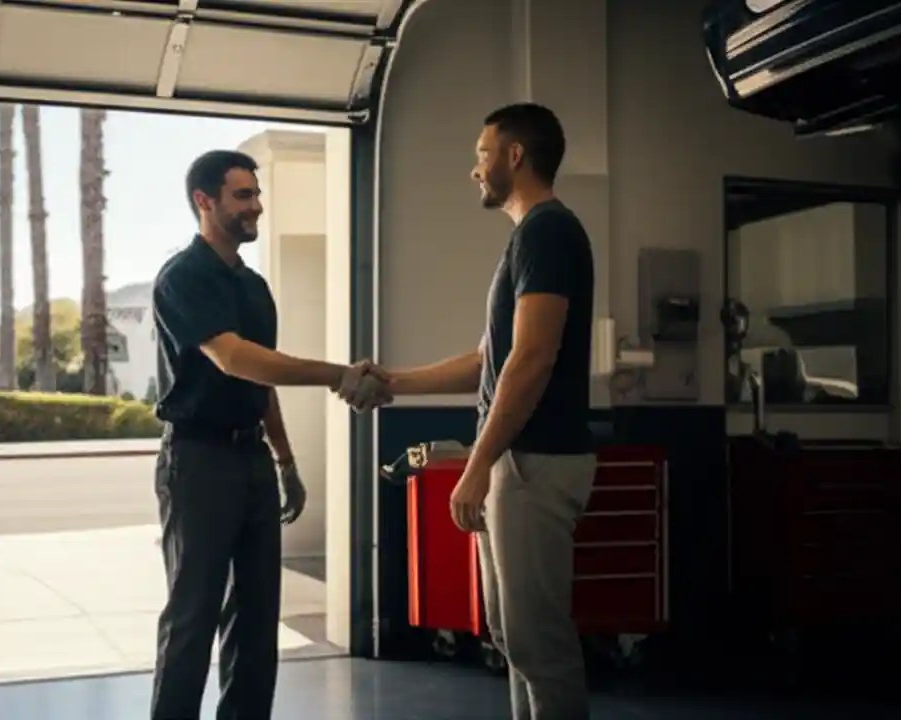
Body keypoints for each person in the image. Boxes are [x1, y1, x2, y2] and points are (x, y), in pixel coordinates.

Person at [349, 103, 596, 720]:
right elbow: (488, 362)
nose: (475, 169)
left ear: (515, 155)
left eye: (482, 154)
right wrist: (393, 382)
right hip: (517, 458)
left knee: (539, 644)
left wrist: (478, 463)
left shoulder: (547, 232)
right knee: (514, 638)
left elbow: (533, 358)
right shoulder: (528, 239)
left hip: (534, 459)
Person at [149, 149, 387, 720]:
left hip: (251, 458)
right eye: (242, 196)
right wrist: (337, 374)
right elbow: (235, 359)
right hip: (198, 461)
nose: (256, 206)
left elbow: (262, 379)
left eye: (257, 194)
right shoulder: (182, 278)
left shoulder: (254, 287)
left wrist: (285, 461)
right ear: (204, 201)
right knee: (193, 616)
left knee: (257, 620)